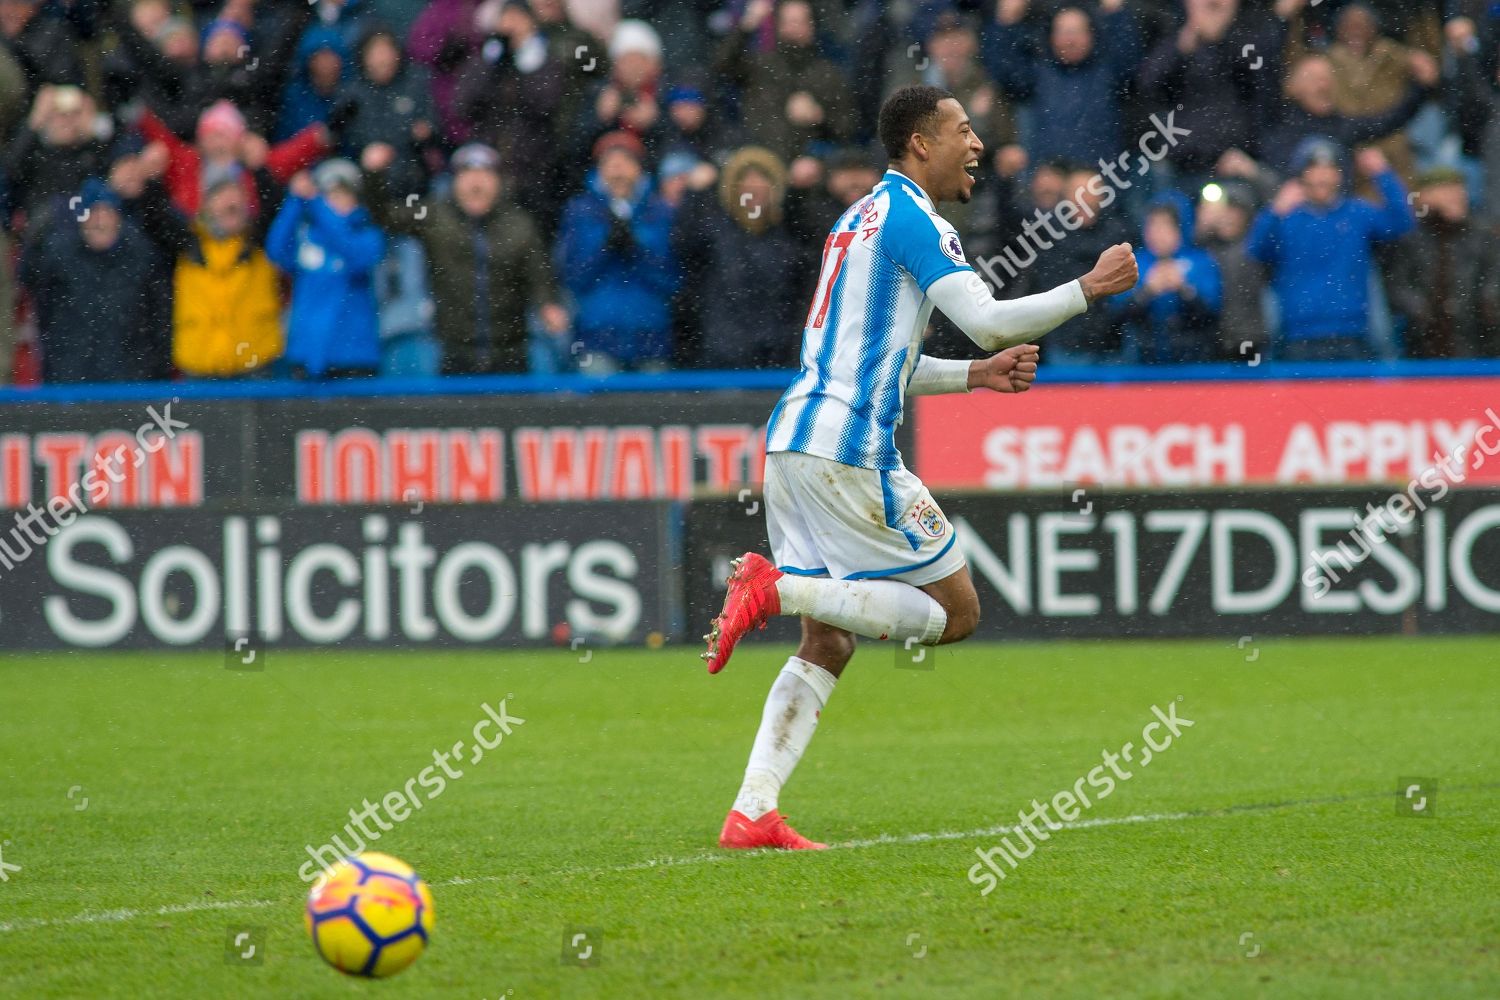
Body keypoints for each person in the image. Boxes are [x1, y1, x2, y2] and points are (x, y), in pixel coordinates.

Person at [700, 86, 1137, 850]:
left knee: (828, 641)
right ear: (919, 144)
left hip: (793, 443)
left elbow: (874, 354)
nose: (977, 143)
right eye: (963, 130)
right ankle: (773, 585)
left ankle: (753, 810)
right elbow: (988, 319)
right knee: (958, 611)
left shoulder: (858, 217)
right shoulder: (912, 217)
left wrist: (973, 377)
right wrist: (1086, 289)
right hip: (850, 452)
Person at [363, 140, 565, 374]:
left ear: (498, 182)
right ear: (455, 181)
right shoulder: (433, 214)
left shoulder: (519, 223)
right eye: (468, 175)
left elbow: (539, 274)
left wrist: (547, 305)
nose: (476, 184)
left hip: (511, 351)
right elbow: (384, 215)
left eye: (484, 175)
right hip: (454, 350)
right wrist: (374, 176)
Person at [1246, 141, 1414, 360]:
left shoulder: (1357, 213)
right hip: (1297, 336)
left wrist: (1381, 173)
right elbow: (1255, 250)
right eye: (1314, 169)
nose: (1322, 177)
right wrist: (1274, 211)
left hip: (1353, 333)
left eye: (1329, 170)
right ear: (1301, 176)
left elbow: (1402, 223)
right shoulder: (1286, 218)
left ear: (1340, 175)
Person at [554, 130, 678, 373]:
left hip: (651, 335)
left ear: (639, 169)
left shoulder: (661, 211)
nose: (618, 170)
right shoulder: (580, 211)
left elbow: (671, 277)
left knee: (657, 406)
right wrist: (605, 247)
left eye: (625, 162)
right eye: (610, 163)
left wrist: (638, 248)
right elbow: (573, 276)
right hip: (597, 336)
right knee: (599, 407)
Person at [20, 178, 165, 384]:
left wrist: (154, 368)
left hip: (128, 379)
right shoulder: (59, 254)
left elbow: (158, 316)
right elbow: (31, 284)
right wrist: (34, 239)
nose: (99, 221)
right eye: (92, 213)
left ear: (118, 218)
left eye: (107, 212)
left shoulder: (140, 255)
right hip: (70, 377)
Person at [266, 158, 386, 378]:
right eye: (329, 195)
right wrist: (294, 201)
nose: (334, 203)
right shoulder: (306, 236)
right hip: (308, 352)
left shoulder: (369, 235)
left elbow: (354, 253)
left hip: (354, 354)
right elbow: (275, 251)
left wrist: (317, 206)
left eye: (342, 194)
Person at [1388, 167, 1500, 358]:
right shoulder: (1412, 240)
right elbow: (1397, 285)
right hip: (1425, 338)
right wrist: (1422, 310)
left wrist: (1487, 303)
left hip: (1477, 335)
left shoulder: (1483, 237)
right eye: (1446, 191)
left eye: (1459, 190)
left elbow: (1493, 276)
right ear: (1424, 197)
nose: (1456, 196)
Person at [1116, 201, 1223, 363]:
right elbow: (1116, 313)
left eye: (1165, 227)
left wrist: (1184, 290)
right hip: (1141, 359)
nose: (1157, 234)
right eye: (1152, 227)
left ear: (1179, 230)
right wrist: (1147, 291)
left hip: (1192, 358)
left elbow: (1213, 311)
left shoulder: (1200, 261)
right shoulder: (1133, 262)